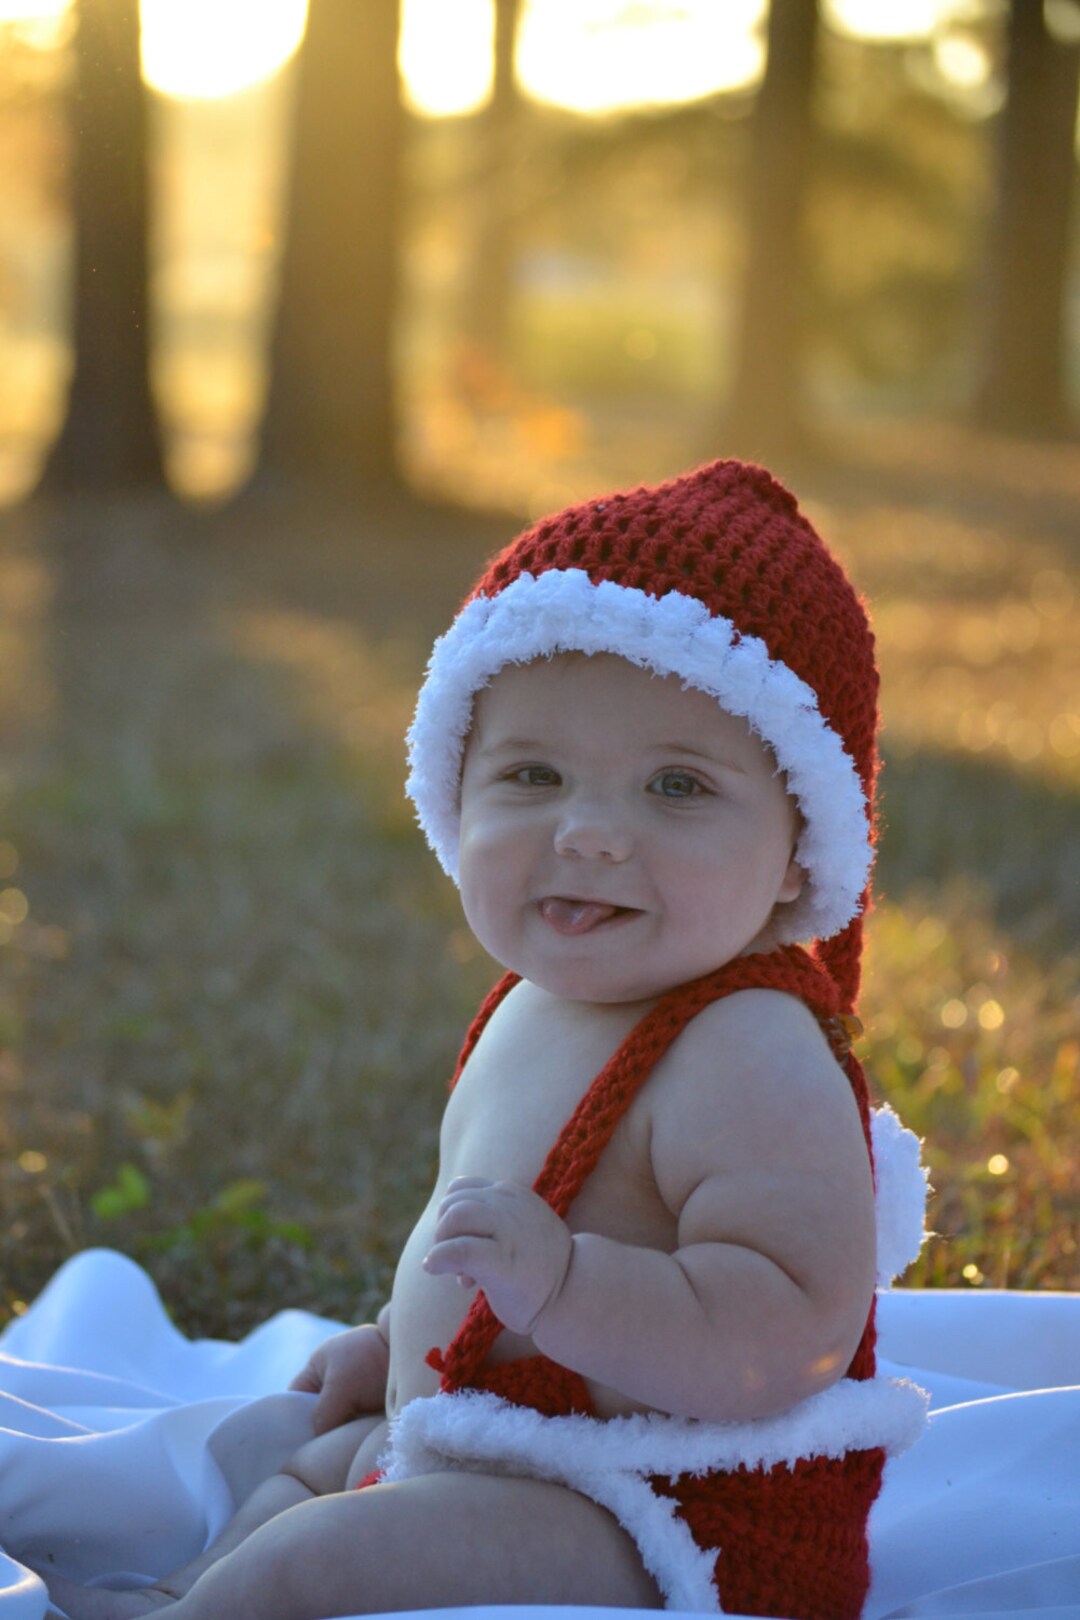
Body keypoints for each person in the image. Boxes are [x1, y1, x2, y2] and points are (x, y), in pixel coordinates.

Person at [46, 459, 927, 1620]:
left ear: (802, 846)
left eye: (675, 786)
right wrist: (397, 1345)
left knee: (318, 1560)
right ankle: (173, 1593)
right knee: (290, 1467)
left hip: (672, 1512)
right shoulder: (531, 1001)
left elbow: (788, 1334)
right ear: (453, 791)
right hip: (505, 1446)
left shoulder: (749, 1044)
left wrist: (559, 1283)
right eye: (533, 775)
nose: (591, 833)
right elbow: (476, 1220)